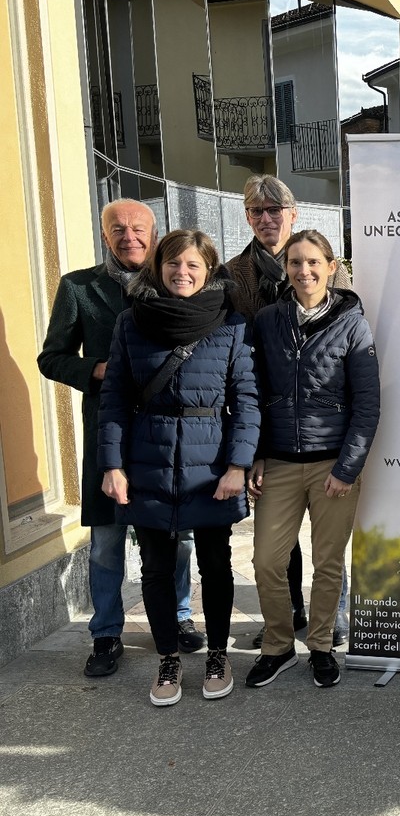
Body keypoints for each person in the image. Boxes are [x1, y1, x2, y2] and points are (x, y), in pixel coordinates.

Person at [37, 199, 203, 678]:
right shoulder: (79, 287)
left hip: (167, 432)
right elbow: (52, 357)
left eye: (138, 227)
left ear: (154, 233)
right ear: (105, 234)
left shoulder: (174, 281)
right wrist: (97, 370)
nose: (129, 235)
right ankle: (106, 633)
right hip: (108, 430)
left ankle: (178, 617)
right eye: (118, 228)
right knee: (107, 541)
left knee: (178, 533)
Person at [97, 229, 258, 706]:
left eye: (192, 264)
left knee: (216, 564)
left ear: (208, 270)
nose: (181, 272)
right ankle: (167, 657)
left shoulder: (231, 325)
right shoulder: (131, 322)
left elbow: (246, 401)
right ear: (157, 267)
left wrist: (238, 465)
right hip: (146, 461)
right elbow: (115, 400)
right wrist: (112, 465)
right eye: (172, 263)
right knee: (155, 568)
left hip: (210, 465)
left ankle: (216, 654)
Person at [246, 229, 380, 689]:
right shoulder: (267, 320)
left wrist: (348, 467)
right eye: (294, 263)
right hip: (279, 461)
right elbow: (254, 392)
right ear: (285, 269)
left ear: (330, 265)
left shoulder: (352, 323)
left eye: (312, 262)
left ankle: (321, 646)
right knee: (267, 559)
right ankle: (279, 646)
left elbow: (367, 403)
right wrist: (259, 453)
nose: (303, 271)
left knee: (328, 562)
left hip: (332, 465)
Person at [226, 175, 353, 647]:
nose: (266, 218)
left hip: (323, 422)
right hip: (270, 418)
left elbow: (349, 329)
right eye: (256, 211)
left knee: (329, 543)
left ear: (292, 213)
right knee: (276, 543)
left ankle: (332, 614)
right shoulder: (234, 275)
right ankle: (288, 615)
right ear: (248, 218)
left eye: (274, 210)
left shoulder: (325, 264)